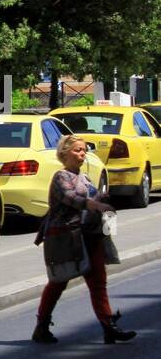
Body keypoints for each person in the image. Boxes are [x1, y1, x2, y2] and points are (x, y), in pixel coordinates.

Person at [32, 135, 135, 344]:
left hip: (90, 235)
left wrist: (103, 202)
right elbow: (73, 199)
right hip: (66, 238)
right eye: (78, 150)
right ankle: (41, 326)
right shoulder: (61, 177)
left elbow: (92, 201)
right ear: (64, 153)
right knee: (58, 282)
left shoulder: (85, 177)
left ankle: (108, 327)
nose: (82, 154)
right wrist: (95, 204)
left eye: (84, 150)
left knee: (98, 282)